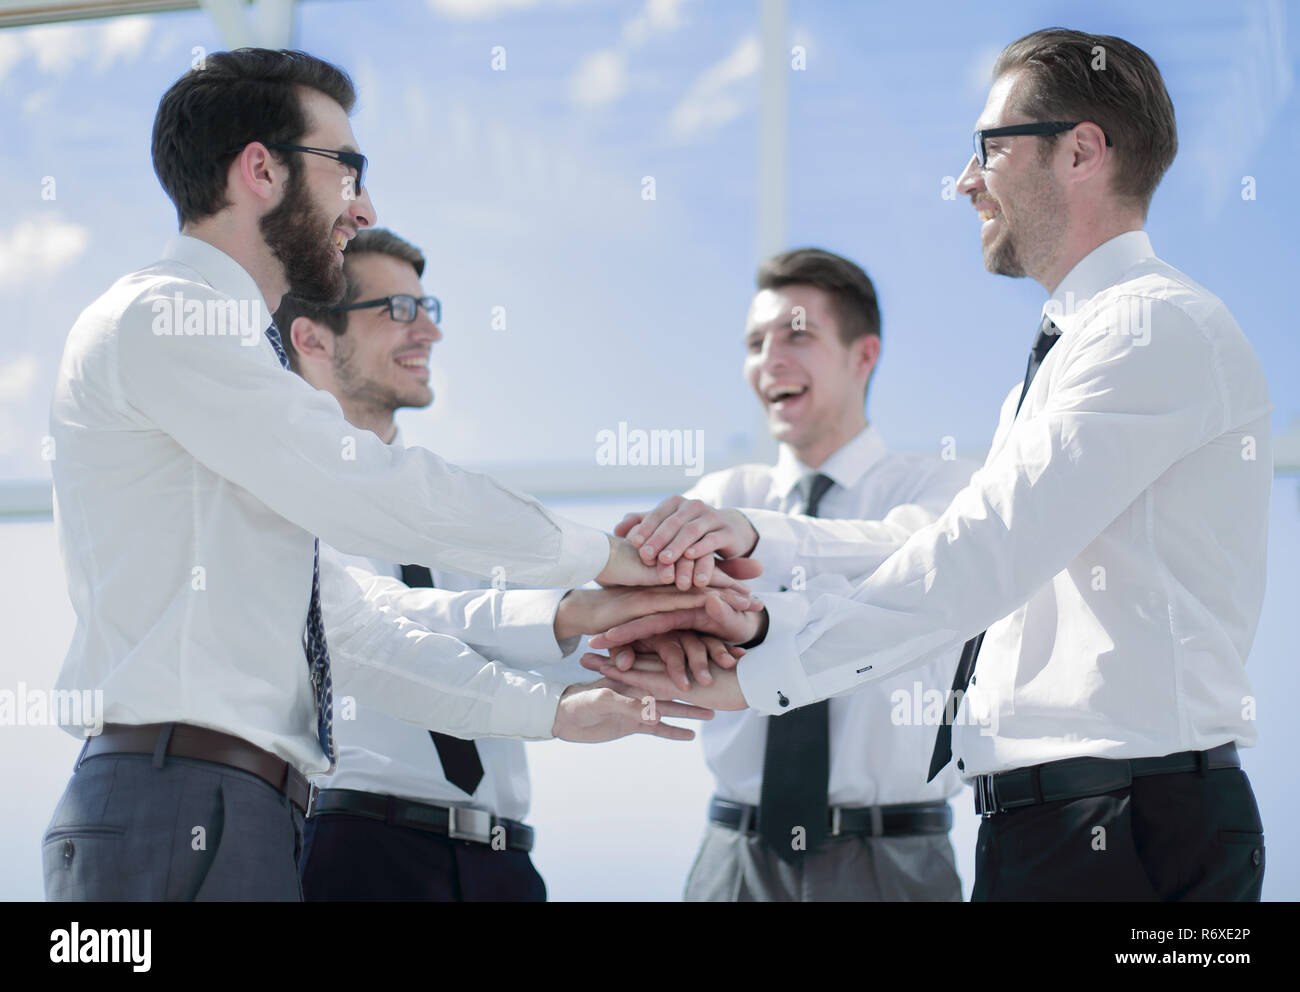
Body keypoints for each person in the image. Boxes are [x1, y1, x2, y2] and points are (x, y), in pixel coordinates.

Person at [588, 28, 1271, 902]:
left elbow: (977, 556)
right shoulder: (1077, 347)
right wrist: (759, 541)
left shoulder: (1150, 330)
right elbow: (946, 540)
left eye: (990, 147)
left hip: (1126, 826)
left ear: (1081, 150)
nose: (965, 180)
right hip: (1059, 824)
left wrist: (760, 661)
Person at [42, 49, 740, 902]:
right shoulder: (164, 319)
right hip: (180, 801)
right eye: (347, 169)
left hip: (232, 805)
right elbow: (364, 487)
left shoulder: (227, 373)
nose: (362, 206)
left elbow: (351, 629)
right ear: (260, 169)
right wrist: (604, 555)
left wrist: (552, 712)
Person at [275, 228, 700, 900]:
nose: (429, 334)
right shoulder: (280, 504)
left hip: (501, 860)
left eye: (428, 309)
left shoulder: (457, 511)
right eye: (399, 311)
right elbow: (383, 630)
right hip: (356, 852)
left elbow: (533, 646)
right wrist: (567, 616)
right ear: (314, 338)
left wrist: (657, 626)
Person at [615, 249, 974, 901]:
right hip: (734, 861)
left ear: (863, 356)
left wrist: (761, 538)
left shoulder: (938, 488)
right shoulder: (723, 494)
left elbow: (906, 554)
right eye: (755, 342)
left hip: (892, 864)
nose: (770, 360)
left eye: (797, 335)